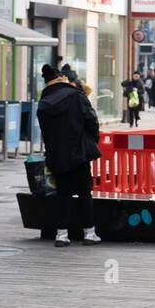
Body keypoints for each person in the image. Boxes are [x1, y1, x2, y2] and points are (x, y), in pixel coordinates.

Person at [36, 64, 102, 247]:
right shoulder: (76, 96)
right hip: (79, 152)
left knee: (63, 193)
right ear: (62, 79)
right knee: (84, 192)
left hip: (57, 154)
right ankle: (89, 233)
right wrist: (91, 140)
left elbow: (45, 132)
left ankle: (61, 235)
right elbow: (91, 120)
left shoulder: (43, 103)